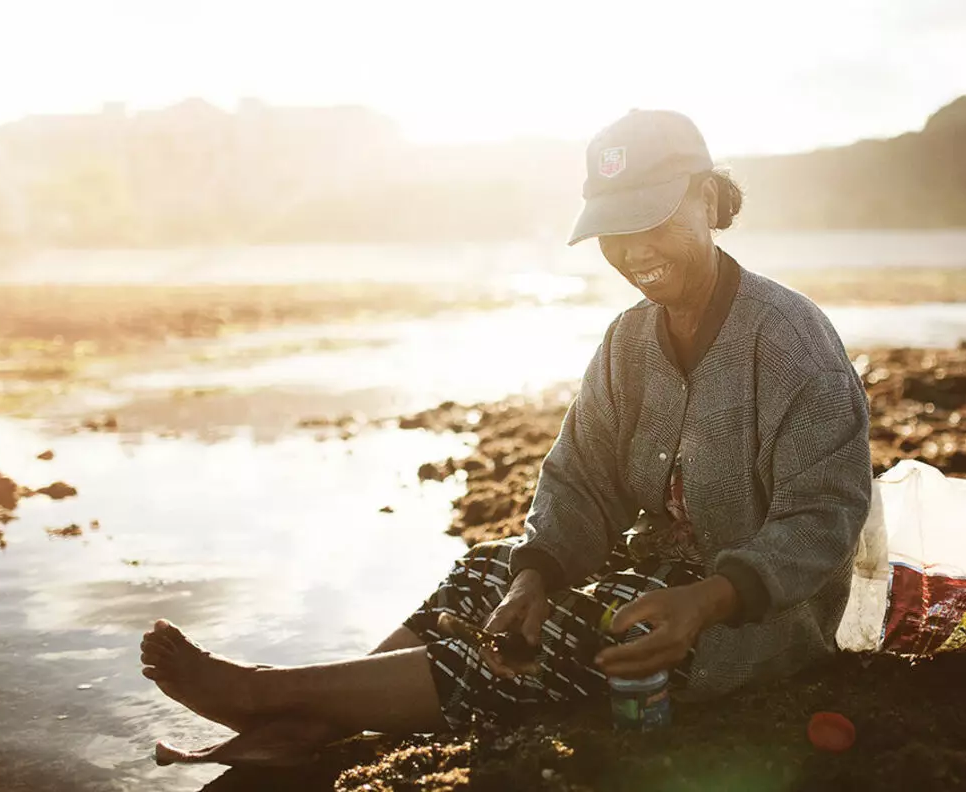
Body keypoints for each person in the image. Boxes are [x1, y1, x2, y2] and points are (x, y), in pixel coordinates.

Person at [140, 109, 873, 766]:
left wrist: (709, 601)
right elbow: (580, 479)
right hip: (650, 584)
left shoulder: (791, 347)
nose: (632, 251)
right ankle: (312, 722)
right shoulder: (628, 342)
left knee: (579, 629)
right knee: (486, 577)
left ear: (707, 199)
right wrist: (536, 576)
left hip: (750, 630)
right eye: (614, 230)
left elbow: (825, 519)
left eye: (653, 220)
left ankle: (273, 697)